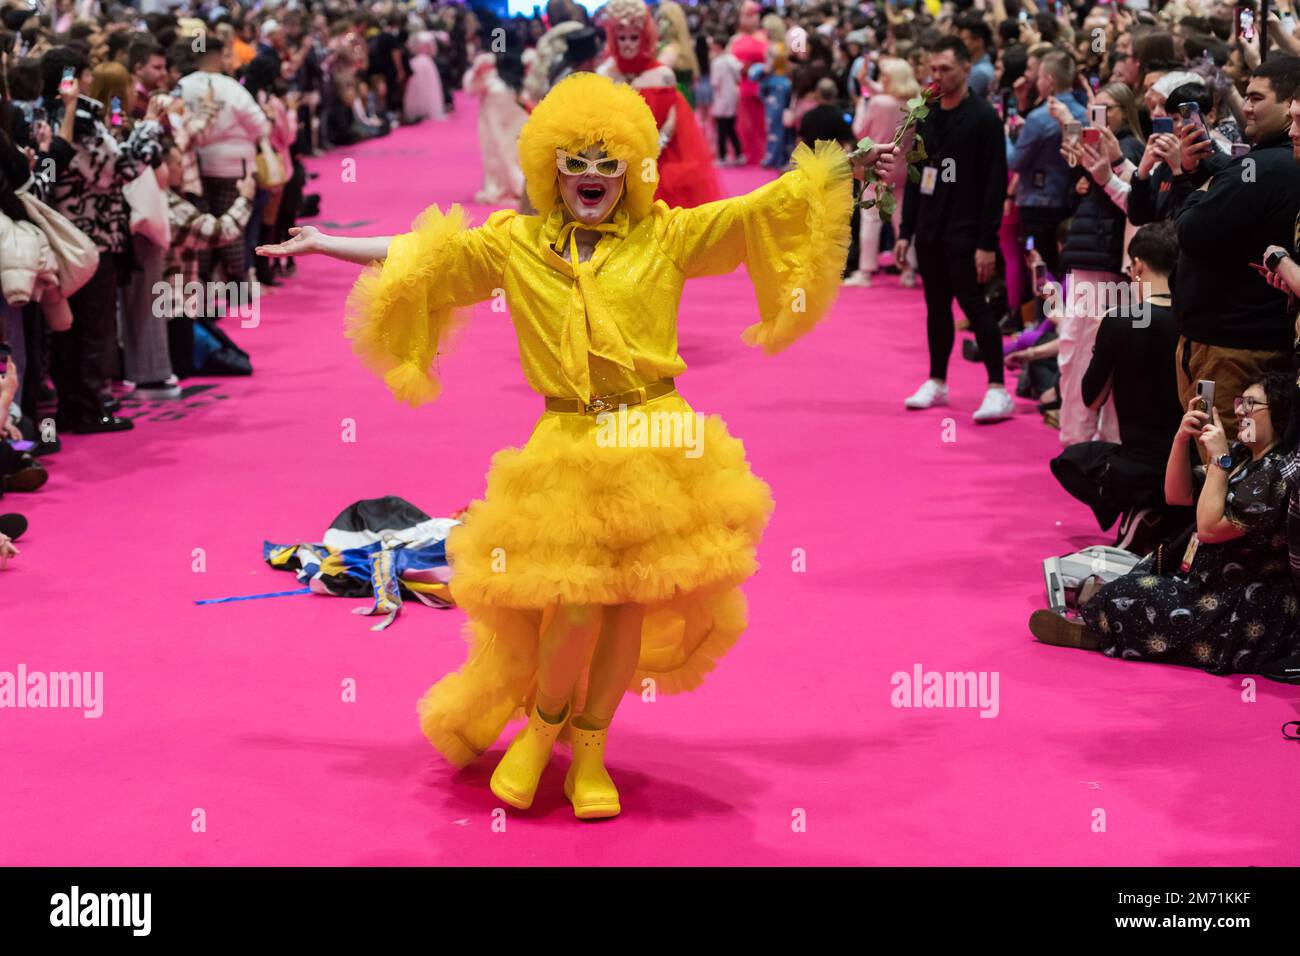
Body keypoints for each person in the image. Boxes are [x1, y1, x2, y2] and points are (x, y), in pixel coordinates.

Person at [256, 72, 894, 820]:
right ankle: (542, 731)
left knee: (624, 606)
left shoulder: (668, 235)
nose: (591, 176)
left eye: (607, 161)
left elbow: (762, 209)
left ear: (631, 166)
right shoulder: (516, 244)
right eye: (576, 161)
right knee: (577, 607)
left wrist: (843, 170)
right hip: (565, 442)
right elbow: (427, 255)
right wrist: (326, 241)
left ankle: (591, 748)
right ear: (549, 166)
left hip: (656, 437)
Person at [1031, 371, 1300, 680]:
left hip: (1242, 608)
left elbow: (1210, 529)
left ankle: (1097, 631)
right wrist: (1181, 438)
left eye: (1251, 404)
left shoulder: (1275, 472)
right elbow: (1177, 495)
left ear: (1278, 412)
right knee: (1134, 579)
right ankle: (1100, 623)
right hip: (1209, 586)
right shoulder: (1242, 455)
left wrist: (1218, 461)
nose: (1238, 410)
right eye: (1241, 401)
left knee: (1125, 593)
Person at [1172, 55, 1300, 455]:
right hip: (1254, 341)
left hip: (1231, 351)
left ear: (1288, 102)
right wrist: (1204, 178)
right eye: (1245, 95)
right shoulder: (1261, 167)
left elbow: (1190, 230)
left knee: (1221, 461)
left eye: (1257, 97)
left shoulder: (1264, 168)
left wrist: (1192, 184)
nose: (1245, 106)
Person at [1049, 222, 1185, 553]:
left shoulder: (1120, 319)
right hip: (1187, 466)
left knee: (1069, 461)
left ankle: (1138, 507)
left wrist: (1103, 341)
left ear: (1136, 265)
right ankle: (1156, 510)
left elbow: (1092, 399)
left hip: (1136, 466)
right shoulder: (1192, 319)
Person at [896, 37, 1013, 423]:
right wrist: (904, 231)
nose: (938, 76)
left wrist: (987, 242)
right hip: (931, 228)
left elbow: (995, 184)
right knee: (935, 307)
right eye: (933, 69)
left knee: (974, 306)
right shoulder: (925, 115)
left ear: (966, 68)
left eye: (945, 69)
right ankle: (937, 380)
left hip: (967, 230)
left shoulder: (983, 119)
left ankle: (998, 388)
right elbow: (916, 177)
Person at [598, 0, 720, 209]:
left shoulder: (662, 76)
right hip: (616, 161)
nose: (627, 43)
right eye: (622, 38)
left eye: (633, 37)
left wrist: (653, 148)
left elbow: (673, 122)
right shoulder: (604, 74)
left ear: (644, 38)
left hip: (661, 160)